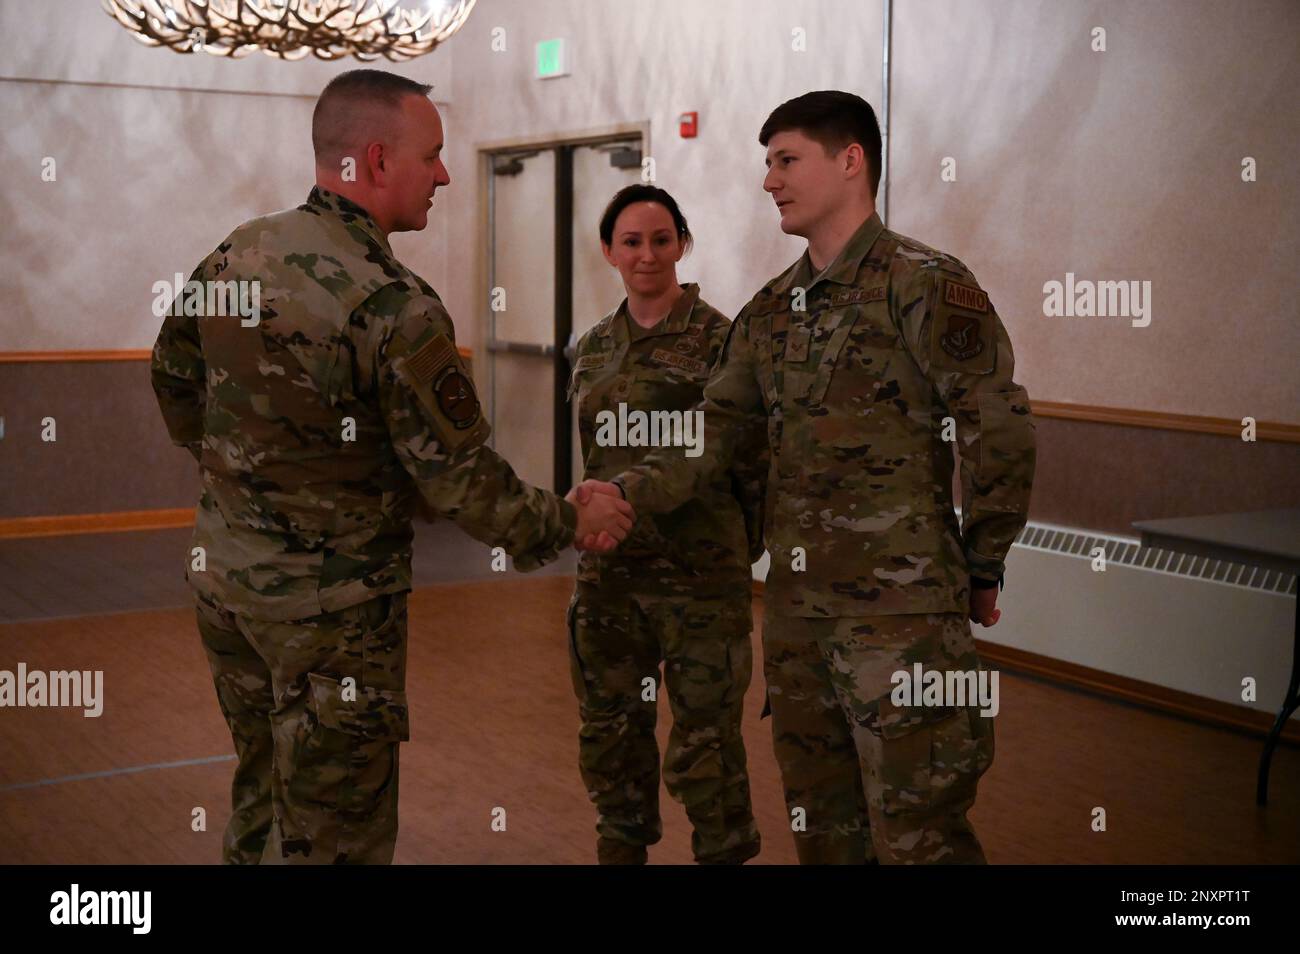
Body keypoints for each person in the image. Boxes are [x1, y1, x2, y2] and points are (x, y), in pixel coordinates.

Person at [150, 69, 634, 865]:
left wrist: (246, 475)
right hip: (335, 619)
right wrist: (575, 519)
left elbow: (171, 378)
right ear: (377, 161)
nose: (445, 175)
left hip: (228, 585)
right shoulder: (391, 303)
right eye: (434, 156)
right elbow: (465, 483)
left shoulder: (237, 252)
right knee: (338, 831)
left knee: (264, 796)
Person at [579, 90, 1036, 864]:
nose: (769, 181)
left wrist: (982, 558)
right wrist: (626, 491)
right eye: (768, 164)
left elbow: (998, 430)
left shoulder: (923, 284)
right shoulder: (770, 313)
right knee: (824, 832)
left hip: (902, 620)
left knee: (921, 834)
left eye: (786, 160)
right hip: (797, 626)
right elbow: (712, 434)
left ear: (849, 160)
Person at [565, 185, 769, 865]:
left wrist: (740, 549)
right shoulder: (591, 348)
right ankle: (620, 848)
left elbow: (740, 459)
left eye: (660, 239)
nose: (646, 255)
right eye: (630, 241)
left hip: (700, 582)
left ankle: (723, 852)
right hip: (610, 579)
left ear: (682, 243)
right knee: (611, 735)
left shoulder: (723, 341)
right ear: (608, 251)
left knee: (706, 746)